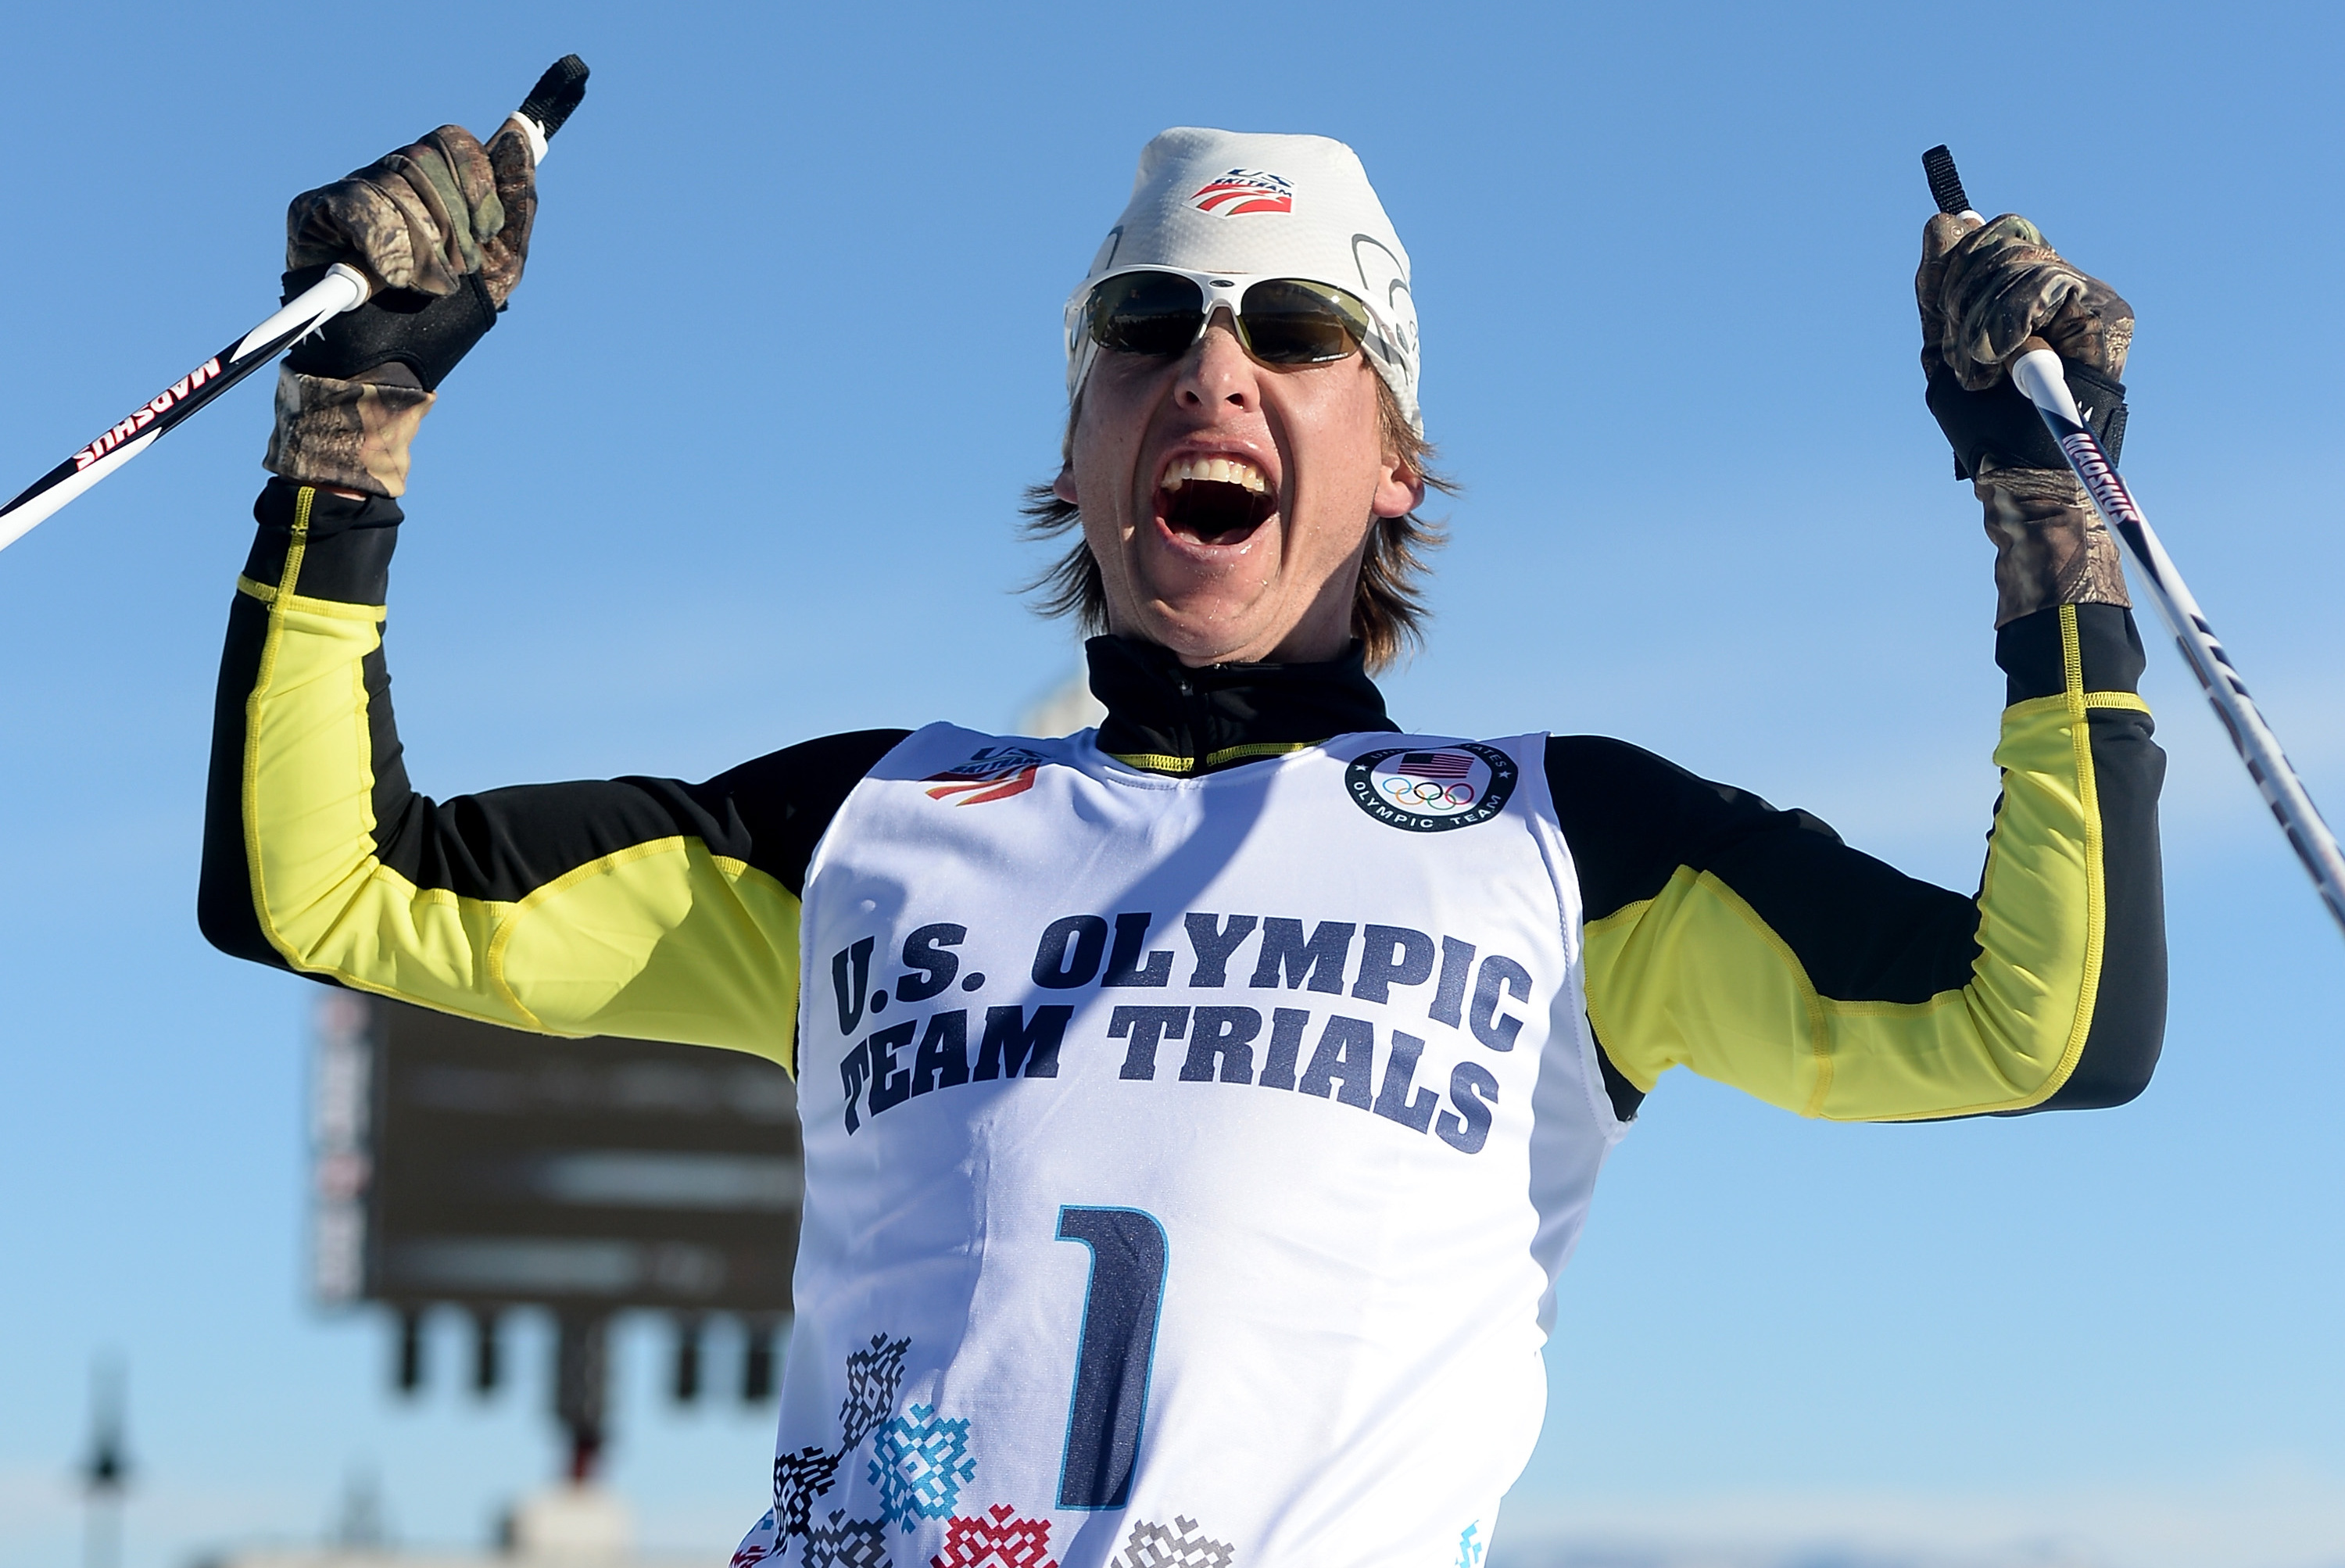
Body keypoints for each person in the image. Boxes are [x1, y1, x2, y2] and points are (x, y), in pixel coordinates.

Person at [200, 121, 2165, 1568]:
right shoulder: (863, 823)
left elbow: (2045, 1023)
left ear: (1394, 458)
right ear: (1078, 444)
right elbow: (322, 883)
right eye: (1151, 325)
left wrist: (2044, 513)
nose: (1212, 369)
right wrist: (350, 416)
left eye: (1294, 328)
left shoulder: (1573, 846)